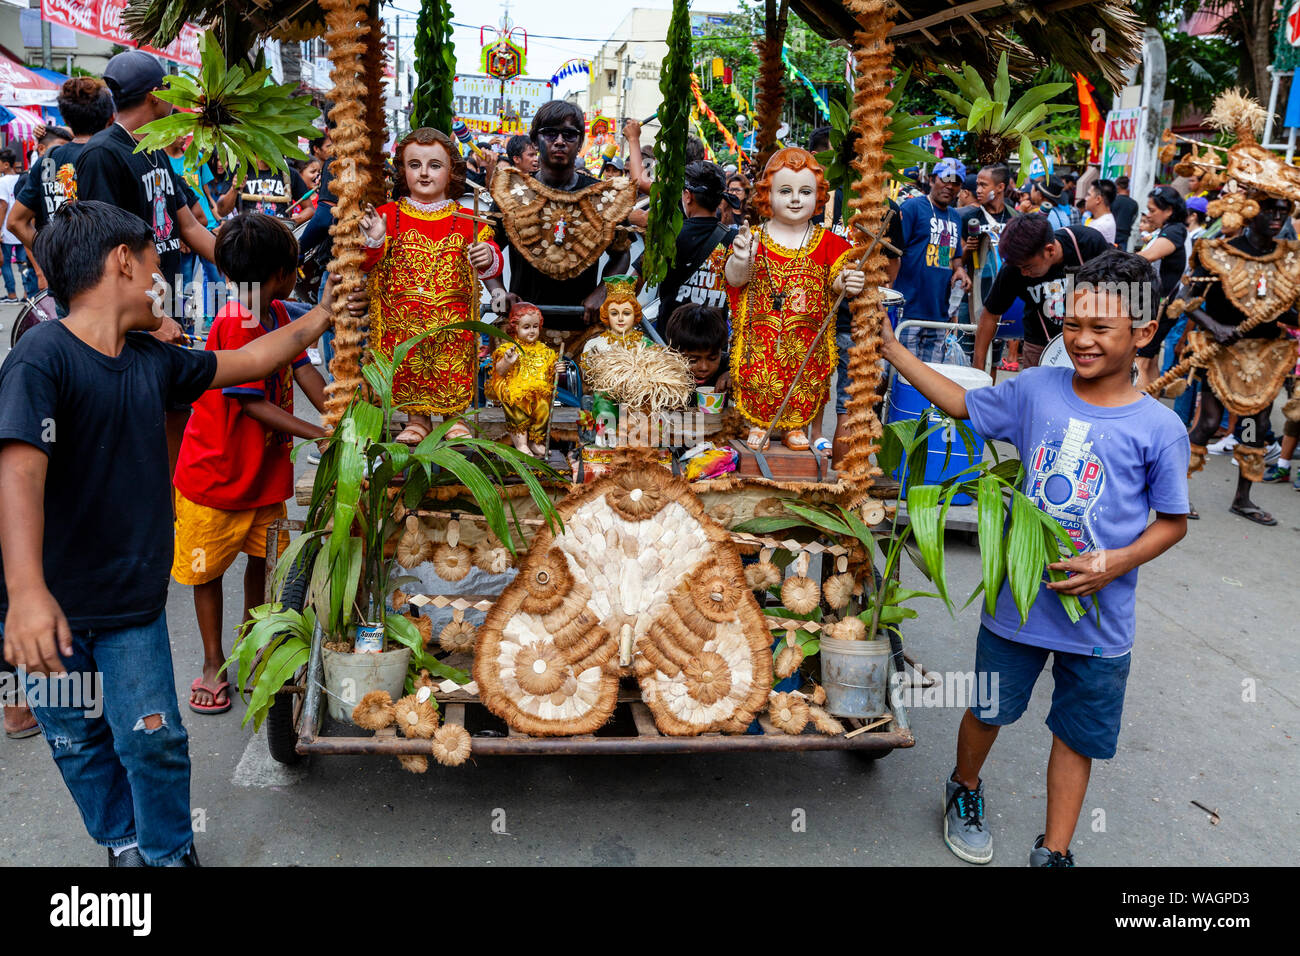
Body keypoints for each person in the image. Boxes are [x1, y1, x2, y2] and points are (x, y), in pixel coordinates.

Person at [0, 200, 336, 866]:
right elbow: (19, 477)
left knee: (154, 738)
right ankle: (121, 837)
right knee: (74, 735)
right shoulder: (41, 360)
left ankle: (166, 851)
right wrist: (27, 594)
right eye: (160, 267)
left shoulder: (157, 361)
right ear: (124, 263)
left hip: (132, 608)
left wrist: (330, 310)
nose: (169, 283)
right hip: (50, 609)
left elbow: (259, 356)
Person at [883, 248, 1189, 866]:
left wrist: (1115, 561)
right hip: (1017, 604)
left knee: (1076, 735)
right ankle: (963, 787)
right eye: (1073, 324)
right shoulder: (1036, 390)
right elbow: (965, 404)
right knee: (989, 706)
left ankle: (1055, 850)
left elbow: (1173, 524)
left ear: (1144, 331)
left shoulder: (1161, 428)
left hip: (1102, 621)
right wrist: (895, 352)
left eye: (1101, 328)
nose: (1081, 340)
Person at [171, 214, 328, 714]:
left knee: (263, 562)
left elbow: (304, 370)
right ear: (280, 272)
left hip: (263, 475)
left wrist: (341, 416)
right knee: (206, 573)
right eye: (293, 265)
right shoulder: (234, 321)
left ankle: (256, 642)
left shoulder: (280, 312)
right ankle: (214, 661)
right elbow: (251, 403)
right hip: (215, 477)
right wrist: (317, 431)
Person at [360, 127, 505, 444]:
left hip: (452, 324)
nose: (424, 173)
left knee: (452, 366)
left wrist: (487, 256)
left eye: (434, 165)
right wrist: (372, 239)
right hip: (404, 325)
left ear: (451, 170)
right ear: (403, 170)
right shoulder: (388, 216)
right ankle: (417, 420)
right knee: (410, 367)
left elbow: (491, 263)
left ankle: (455, 417)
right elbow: (364, 263)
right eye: (414, 165)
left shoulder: (471, 219)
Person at [723, 147, 866, 451]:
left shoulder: (830, 243)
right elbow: (736, 279)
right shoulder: (754, 238)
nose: (795, 199)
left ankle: (796, 427)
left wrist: (848, 281)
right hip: (761, 339)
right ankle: (760, 424)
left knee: (804, 380)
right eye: (785, 190)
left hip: (806, 341)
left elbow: (839, 279)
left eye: (805, 191)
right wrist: (741, 258)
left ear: (818, 196)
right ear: (767, 194)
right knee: (758, 375)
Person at [1177, 197, 1298, 526]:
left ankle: (1243, 499)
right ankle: (1176, 494)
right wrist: (1215, 326)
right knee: (1209, 422)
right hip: (1223, 352)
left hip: (1265, 354)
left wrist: (1286, 313)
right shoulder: (1221, 253)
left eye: (1283, 211)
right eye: (1269, 210)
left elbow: (1288, 310)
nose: (1276, 217)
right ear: (1249, 211)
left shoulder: (1287, 259)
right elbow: (1186, 300)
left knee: (1255, 427)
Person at [494, 100, 631, 324]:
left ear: (580, 143)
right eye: (550, 133)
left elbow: (622, 253)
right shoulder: (512, 193)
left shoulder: (602, 196)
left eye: (569, 134)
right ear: (535, 141)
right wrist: (499, 293)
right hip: (521, 329)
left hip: (580, 328)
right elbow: (490, 250)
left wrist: (602, 291)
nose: (559, 141)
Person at [10, 77, 116, 292]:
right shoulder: (109, 157)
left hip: (64, 283)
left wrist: (50, 256)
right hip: (106, 281)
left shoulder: (48, 160)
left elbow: (15, 222)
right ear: (111, 119)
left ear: (67, 119)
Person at [972, 213, 1110, 371]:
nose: (1023, 273)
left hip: (1089, 341)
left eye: (1028, 267)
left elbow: (1122, 288)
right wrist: (978, 366)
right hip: (1040, 344)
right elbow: (990, 314)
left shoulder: (1088, 243)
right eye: (1020, 268)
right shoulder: (1014, 267)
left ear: (1049, 250)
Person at [637, 160, 737, 325]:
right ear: (720, 200)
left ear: (688, 196)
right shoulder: (736, 240)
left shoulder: (669, 236)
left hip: (667, 345)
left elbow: (635, 282)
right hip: (713, 346)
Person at [892, 157, 970, 363]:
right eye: (946, 179)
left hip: (938, 314)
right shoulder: (913, 208)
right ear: (932, 179)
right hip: (909, 311)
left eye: (956, 182)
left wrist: (959, 269)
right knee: (903, 376)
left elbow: (952, 255)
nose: (950, 186)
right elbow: (894, 253)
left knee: (931, 379)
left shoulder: (955, 216)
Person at [962, 163, 1019, 369]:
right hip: (973, 298)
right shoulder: (969, 217)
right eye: (977, 185)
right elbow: (958, 262)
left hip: (1002, 298)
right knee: (969, 355)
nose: (978, 190)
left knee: (993, 359)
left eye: (984, 185)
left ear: (1000, 187)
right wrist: (968, 249)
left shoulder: (1015, 218)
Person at [1133, 185, 1188, 389]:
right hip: (1158, 302)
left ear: (1169, 211)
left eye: (1153, 210)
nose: (1149, 215)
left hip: (1161, 305)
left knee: (1141, 359)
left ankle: (1139, 413)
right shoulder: (1169, 229)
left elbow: (1149, 256)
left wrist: (1117, 258)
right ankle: (1153, 404)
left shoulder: (1175, 231)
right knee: (1152, 357)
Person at [663, 302, 729, 392]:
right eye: (692, 360)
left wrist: (735, 374)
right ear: (673, 352)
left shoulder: (731, 366)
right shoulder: (661, 371)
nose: (704, 367)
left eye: (713, 358)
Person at [0, 149, 37, 300]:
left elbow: (3, 205)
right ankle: (27, 293)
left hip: (8, 228)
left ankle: (12, 294)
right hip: (23, 227)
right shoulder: (21, 178)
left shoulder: (2, 181)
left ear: (6, 164)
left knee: (6, 263)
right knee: (23, 263)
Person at [1082, 178, 1117, 245]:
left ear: (1098, 199)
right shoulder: (1097, 219)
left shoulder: (1102, 225)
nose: (1085, 199)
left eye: (1089, 195)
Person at [1111, 175, 1140, 250]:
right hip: (1125, 234)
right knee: (1121, 257)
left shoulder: (1112, 201)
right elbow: (1134, 219)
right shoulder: (1134, 203)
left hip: (1112, 232)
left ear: (1117, 186)